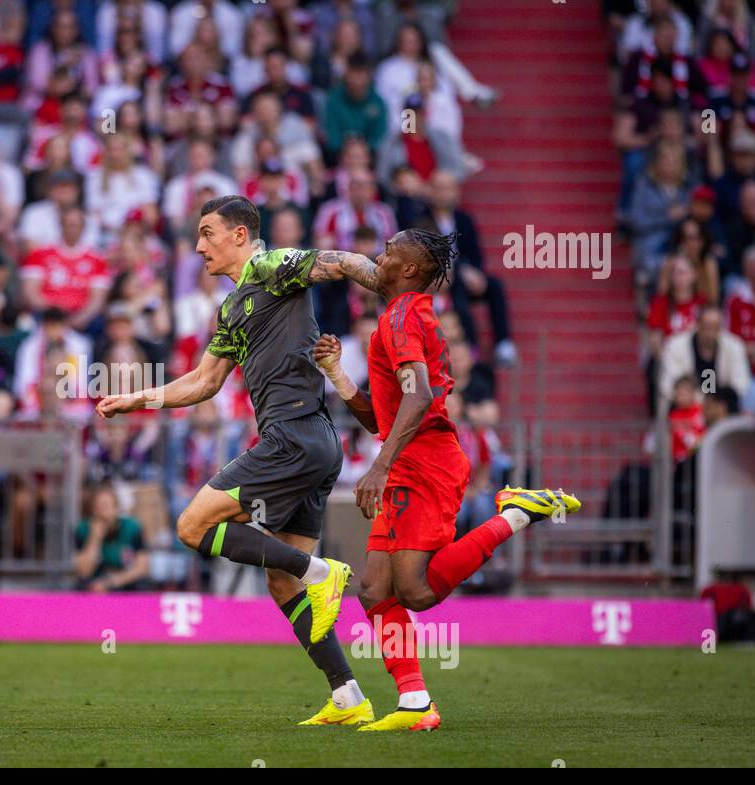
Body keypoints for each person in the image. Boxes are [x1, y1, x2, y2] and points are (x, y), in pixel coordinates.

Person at [95, 195, 367, 727]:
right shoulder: (232, 307)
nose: (198, 246)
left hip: (292, 438)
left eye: (207, 232)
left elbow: (339, 262)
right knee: (280, 581)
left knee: (192, 526)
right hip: (315, 442)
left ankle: (321, 572)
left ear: (240, 235)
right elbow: (203, 382)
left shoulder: (271, 265)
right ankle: (348, 695)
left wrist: (389, 277)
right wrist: (138, 399)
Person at [310, 229, 581, 731]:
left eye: (391, 250)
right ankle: (415, 704)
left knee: (415, 592)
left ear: (409, 269)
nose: (380, 255)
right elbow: (383, 418)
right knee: (374, 590)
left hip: (426, 464)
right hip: (409, 458)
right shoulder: (395, 318)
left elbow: (418, 400)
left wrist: (380, 465)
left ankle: (514, 514)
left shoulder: (406, 316)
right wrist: (337, 374)